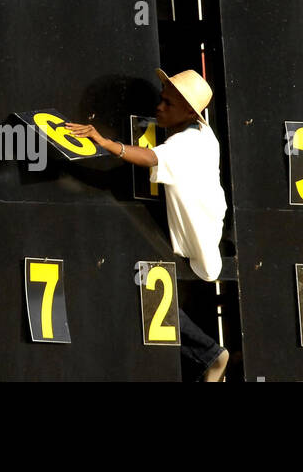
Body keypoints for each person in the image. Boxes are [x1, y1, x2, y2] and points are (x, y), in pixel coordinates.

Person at [67, 68, 229, 381]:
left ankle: (211, 354)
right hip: (205, 219)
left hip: (199, 234)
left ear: (188, 111)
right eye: (162, 100)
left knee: (142, 281)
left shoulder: (190, 144)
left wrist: (104, 141)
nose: (159, 107)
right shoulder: (200, 133)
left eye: (168, 104)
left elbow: (149, 157)